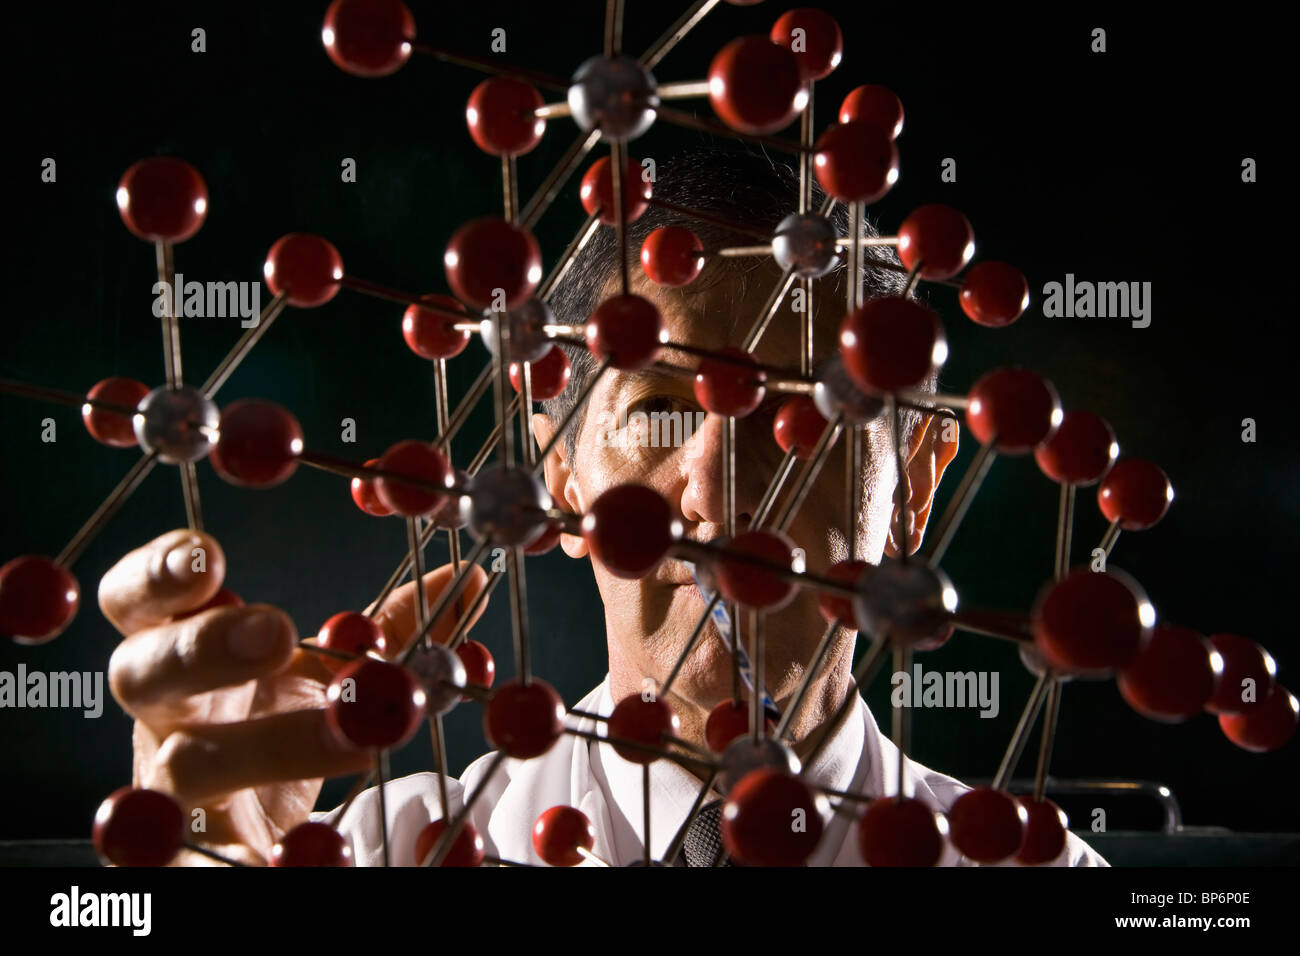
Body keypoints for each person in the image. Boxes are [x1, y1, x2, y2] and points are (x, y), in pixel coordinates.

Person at [99, 148, 1106, 867]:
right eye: (659, 412)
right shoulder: (380, 852)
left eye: (804, 414)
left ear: (916, 481)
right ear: (559, 462)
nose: (713, 492)